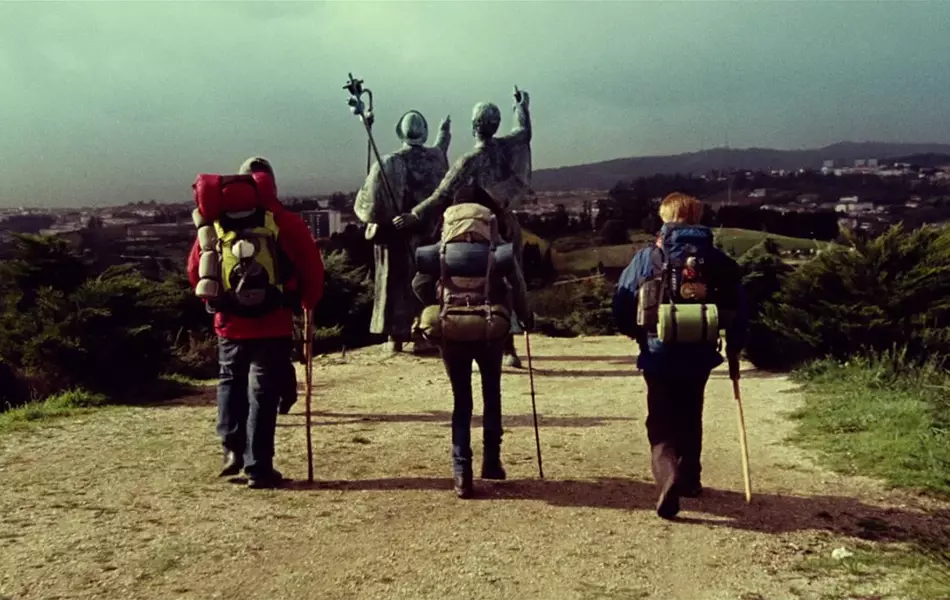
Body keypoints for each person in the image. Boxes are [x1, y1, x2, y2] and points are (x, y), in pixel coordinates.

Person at [188, 156, 324, 489]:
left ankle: (231, 450)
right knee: (263, 392)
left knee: (229, 382)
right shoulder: (284, 221)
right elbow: (311, 266)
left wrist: (216, 301)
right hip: (274, 320)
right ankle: (259, 467)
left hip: (230, 321)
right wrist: (308, 303)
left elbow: (196, 270)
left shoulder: (216, 223)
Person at [613, 193, 748, 519]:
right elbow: (738, 309)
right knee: (691, 411)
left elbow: (622, 303)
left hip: (658, 353)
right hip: (700, 351)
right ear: (698, 219)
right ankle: (689, 478)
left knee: (660, 419)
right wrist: (734, 347)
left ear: (664, 219)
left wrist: (637, 335)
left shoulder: (646, 258)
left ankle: (667, 473)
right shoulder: (717, 261)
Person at [394, 87, 531, 368]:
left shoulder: (468, 161)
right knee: (505, 282)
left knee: (435, 281)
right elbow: (524, 132)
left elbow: (441, 196)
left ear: (473, 127)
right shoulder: (506, 146)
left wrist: (414, 216)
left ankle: (457, 325)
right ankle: (509, 347)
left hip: (475, 232)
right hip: (507, 224)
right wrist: (521, 107)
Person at [411, 185, 533, 498]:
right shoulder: (495, 242)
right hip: (491, 328)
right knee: (491, 393)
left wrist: (437, 302)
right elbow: (516, 284)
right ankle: (491, 461)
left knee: (461, 401)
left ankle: (461, 470)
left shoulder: (442, 245)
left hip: (452, 328)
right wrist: (524, 317)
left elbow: (419, 282)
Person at [354, 111, 451, 354]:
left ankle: (395, 336)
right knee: (423, 282)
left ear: (400, 132)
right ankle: (425, 330)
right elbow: (442, 188)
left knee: (395, 284)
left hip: (396, 237)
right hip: (428, 233)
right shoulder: (436, 160)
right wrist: (444, 133)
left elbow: (370, 206)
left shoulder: (388, 163)